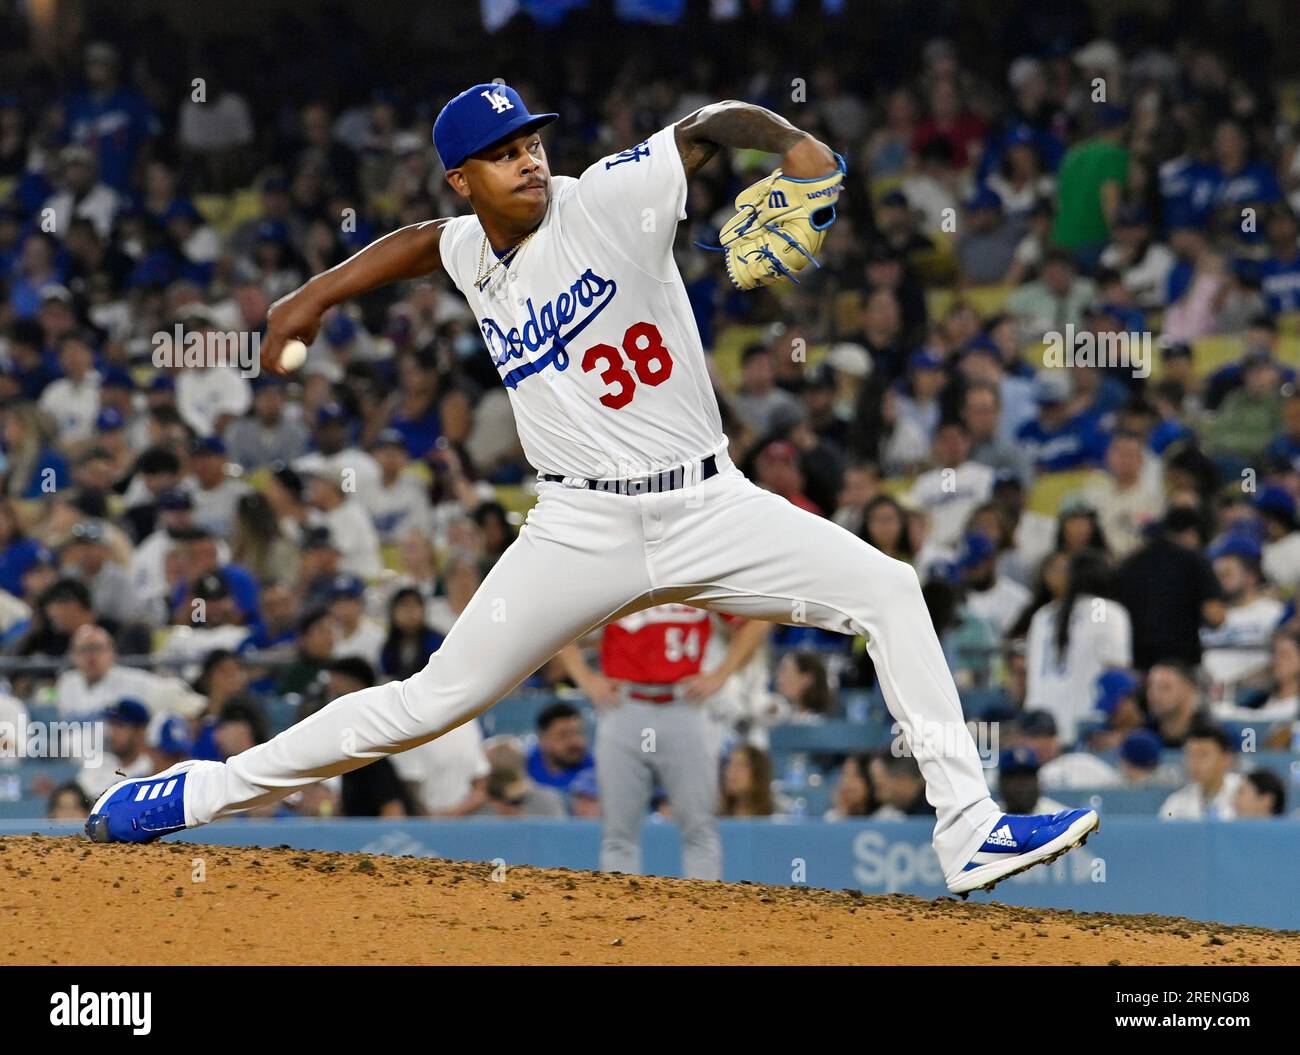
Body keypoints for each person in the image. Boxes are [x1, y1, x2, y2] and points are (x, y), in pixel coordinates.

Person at [88, 83, 1096, 897]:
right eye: (503, 151)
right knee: (430, 702)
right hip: (579, 525)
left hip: (711, 505)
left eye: (532, 140)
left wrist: (797, 150)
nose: (529, 158)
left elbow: (707, 126)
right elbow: (417, 242)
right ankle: (198, 791)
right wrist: (311, 294)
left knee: (888, 588)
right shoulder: (468, 247)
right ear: (464, 178)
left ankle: (969, 831)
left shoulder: (607, 197)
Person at [559, 602, 768, 880]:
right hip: (624, 703)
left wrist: (721, 675)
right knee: (618, 834)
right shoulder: (616, 570)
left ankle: (704, 920)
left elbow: (759, 619)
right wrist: (584, 678)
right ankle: (619, 921)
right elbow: (556, 619)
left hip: (683, 703)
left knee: (700, 829)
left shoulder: (695, 571)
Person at [1025, 550, 1132, 741]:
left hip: (1037, 725)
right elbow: (1116, 676)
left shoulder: (1043, 615)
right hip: (1083, 727)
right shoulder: (1106, 610)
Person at [1159, 720, 1243, 820]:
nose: (1194, 762)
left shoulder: (1245, 793)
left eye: (1203, 755)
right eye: (1190, 755)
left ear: (1226, 759)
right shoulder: (1176, 803)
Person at [523, 701, 593, 792]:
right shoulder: (522, 765)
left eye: (578, 733)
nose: (574, 741)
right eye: (563, 735)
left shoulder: (597, 770)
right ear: (542, 739)